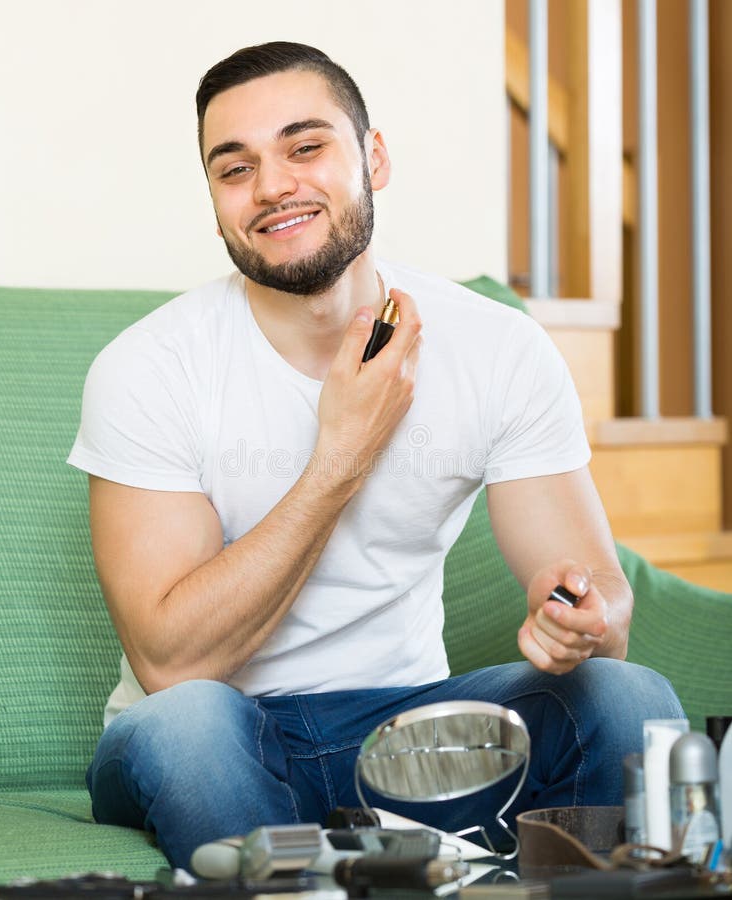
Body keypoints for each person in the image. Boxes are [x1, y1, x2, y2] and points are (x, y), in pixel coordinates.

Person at [68, 41, 683, 871]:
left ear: (374, 157)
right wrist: (342, 456)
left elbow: (600, 601)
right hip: (216, 731)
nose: (274, 185)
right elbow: (173, 663)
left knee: (627, 695)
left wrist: (584, 618)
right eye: (234, 167)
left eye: (305, 146)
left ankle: (454, 866)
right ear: (213, 199)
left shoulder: (494, 347)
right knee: (183, 727)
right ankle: (333, 875)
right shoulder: (148, 369)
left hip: (413, 730)